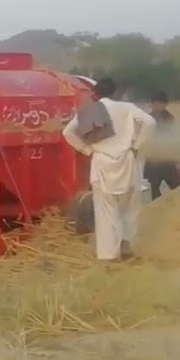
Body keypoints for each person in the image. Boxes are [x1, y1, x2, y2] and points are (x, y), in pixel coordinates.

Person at [62, 77, 158, 262]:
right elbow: (150, 123)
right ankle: (127, 246)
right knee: (130, 208)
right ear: (116, 92)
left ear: (95, 94)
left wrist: (86, 149)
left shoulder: (90, 111)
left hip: (102, 163)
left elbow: (67, 132)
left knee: (106, 212)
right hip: (127, 160)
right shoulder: (127, 108)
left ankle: (109, 255)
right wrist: (137, 146)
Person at [142, 90, 180, 200]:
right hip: (153, 159)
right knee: (154, 187)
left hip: (167, 158)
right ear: (152, 104)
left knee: (176, 186)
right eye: (155, 104)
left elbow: (172, 136)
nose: (157, 107)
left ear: (165, 104)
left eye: (160, 104)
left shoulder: (169, 118)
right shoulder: (147, 118)